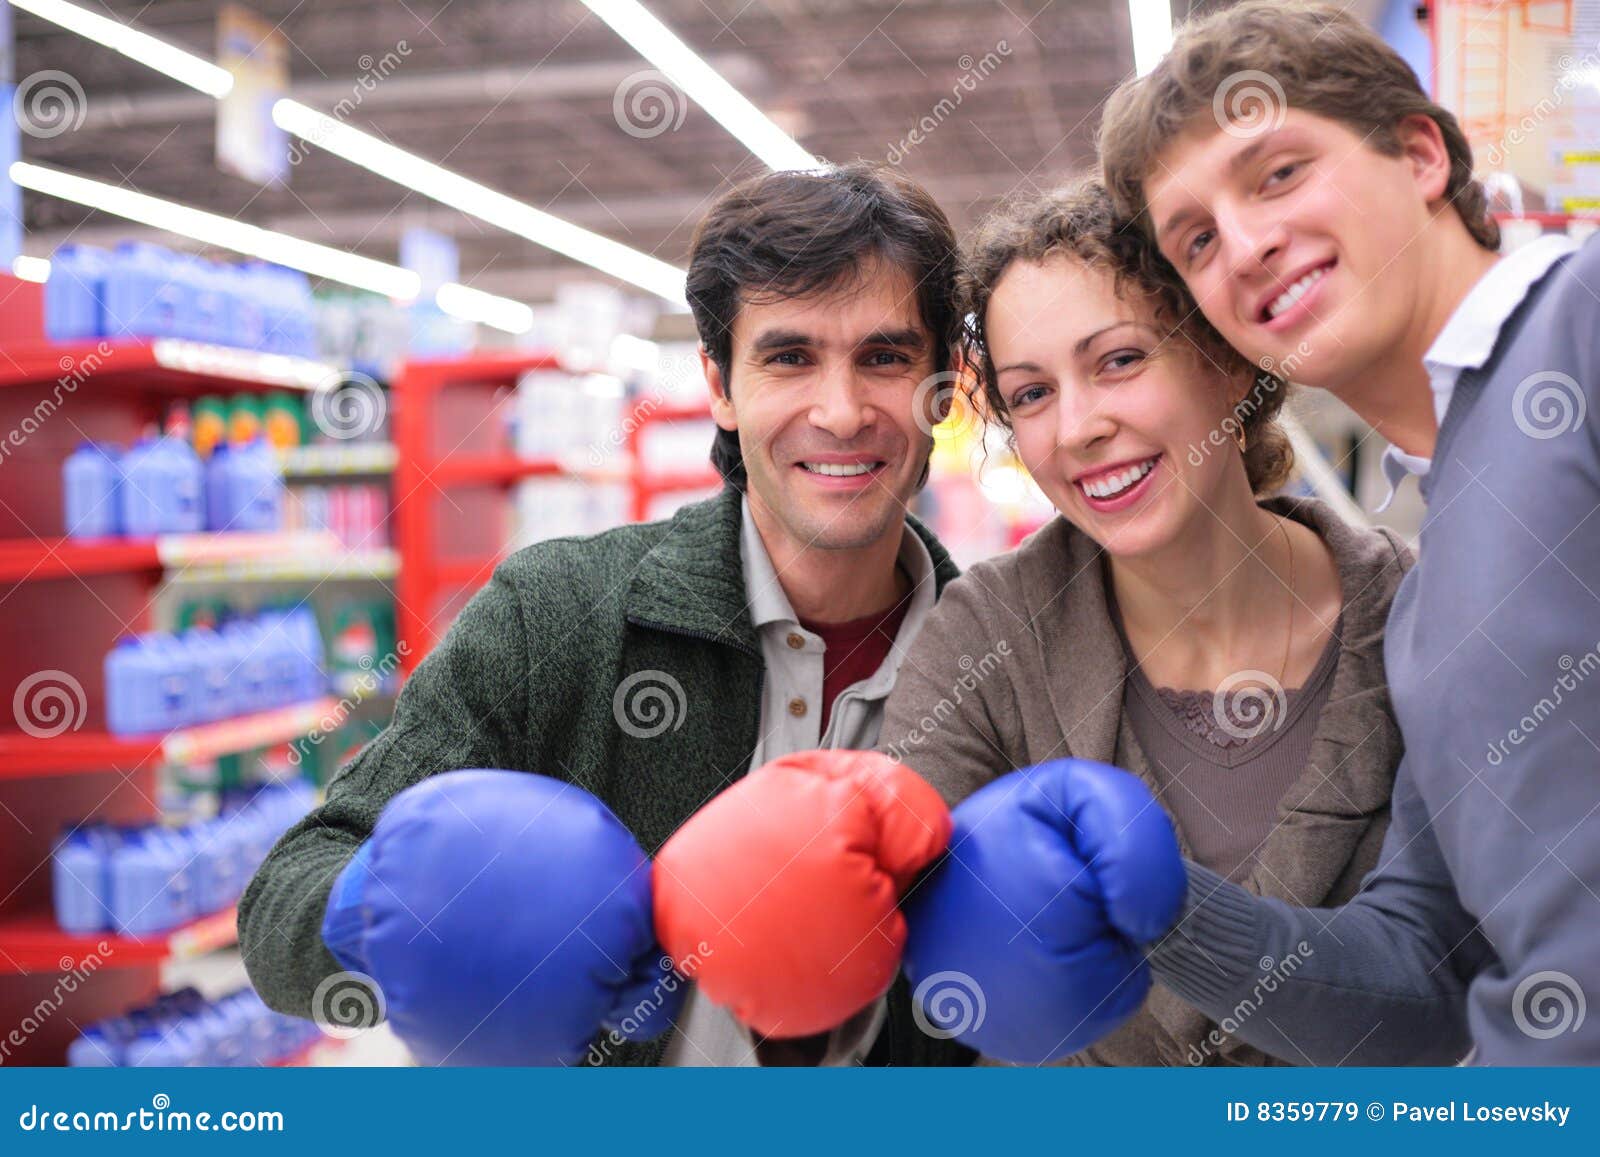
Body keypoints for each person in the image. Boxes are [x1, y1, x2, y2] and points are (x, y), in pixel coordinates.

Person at [902, 1, 1600, 1066]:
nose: (1247, 243)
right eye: (1195, 237)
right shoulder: (1432, 595)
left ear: (1420, 152)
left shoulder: (1580, 326)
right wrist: (1169, 910)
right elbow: (1417, 976)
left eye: (1276, 173)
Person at [238, 162, 975, 1068]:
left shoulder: (1002, 666)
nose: (841, 409)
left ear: (945, 383)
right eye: (789, 357)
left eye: (886, 357)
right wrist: (393, 913)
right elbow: (282, 906)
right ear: (720, 384)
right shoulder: (558, 615)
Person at [879, 176, 1412, 1066]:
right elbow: (923, 948)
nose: (1080, 426)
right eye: (1033, 394)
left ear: (1230, 359)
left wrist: (1169, 912)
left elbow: (1468, 971)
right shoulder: (986, 639)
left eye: (1120, 360)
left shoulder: (1417, 623)